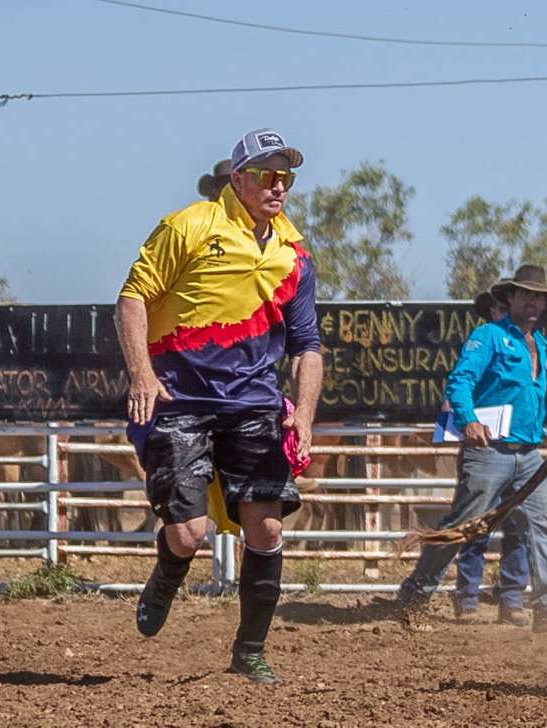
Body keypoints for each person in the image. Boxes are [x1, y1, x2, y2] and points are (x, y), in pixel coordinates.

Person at [119, 128, 324, 685]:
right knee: (188, 534)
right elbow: (132, 297)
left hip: (255, 405)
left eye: (286, 176)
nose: (278, 186)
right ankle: (168, 570)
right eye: (266, 174)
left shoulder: (294, 255)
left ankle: (249, 651)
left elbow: (307, 346)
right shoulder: (187, 226)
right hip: (180, 400)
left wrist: (302, 414)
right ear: (237, 179)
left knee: (267, 530)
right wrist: (142, 373)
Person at [395, 265, 547, 629]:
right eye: (526, 296)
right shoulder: (489, 335)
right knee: (465, 524)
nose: (533, 303)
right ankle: (415, 592)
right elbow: (460, 380)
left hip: (527, 452)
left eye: (538, 297)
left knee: (543, 524)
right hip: (490, 449)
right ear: (510, 299)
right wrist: (468, 419)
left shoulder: (537, 343)